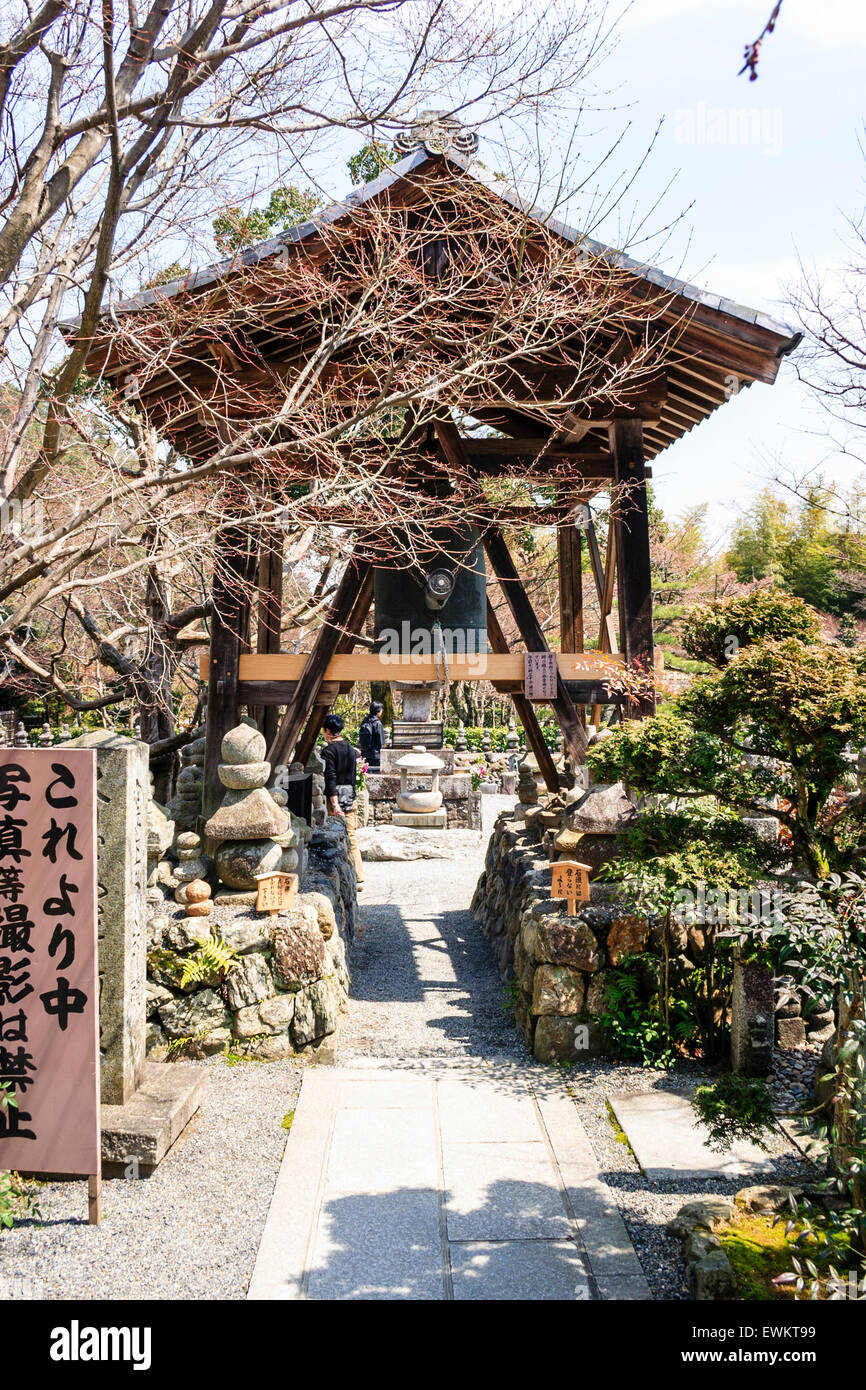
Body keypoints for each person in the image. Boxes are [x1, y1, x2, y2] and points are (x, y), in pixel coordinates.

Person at [321, 713, 364, 889]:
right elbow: (352, 777)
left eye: (324, 730)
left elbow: (330, 778)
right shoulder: (350, 749)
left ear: (329, 731)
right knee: (352, 837)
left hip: (335, 800)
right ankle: (358, 877)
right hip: (351, 797)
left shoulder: (328, 751)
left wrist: (335, 804)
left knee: (335, 839)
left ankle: (342, 879)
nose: (323, 733)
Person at [357, 701, 386, 768]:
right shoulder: (377, 723)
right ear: (378, 711)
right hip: (375, 755)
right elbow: (380, 740)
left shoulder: (365, 720)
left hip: (365, 753)